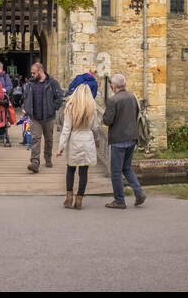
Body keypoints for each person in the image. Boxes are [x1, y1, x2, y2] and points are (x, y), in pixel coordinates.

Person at [101, 73, 146, 209]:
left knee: (116, 172)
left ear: (114, 86)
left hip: (119, 140)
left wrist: (105, 114)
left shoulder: (113, 100)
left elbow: (107, 120)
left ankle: (119, 200)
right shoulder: (133, 97)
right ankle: (138, 192)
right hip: (132, 138)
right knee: (126, 168)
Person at [56, 84, 98, 210]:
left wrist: (61, 147)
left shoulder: (70, 107)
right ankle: (79, 199)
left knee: (71, 169)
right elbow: (95, 127)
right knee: (83, 172)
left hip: (75, 139)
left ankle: (69, 197)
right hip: (87, 140)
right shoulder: (92, 107)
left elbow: (66, 129)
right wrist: (96, 139)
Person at [22, 62, 64, 173]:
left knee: (49, 139)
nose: (32, 75)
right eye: (31, 73)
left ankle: (48, 157)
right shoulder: (30, 83)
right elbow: (25, 97)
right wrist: (27, 107)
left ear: (40, 71)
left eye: (34, 73)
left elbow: (59, 97)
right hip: (35, 117)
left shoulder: (52, 83)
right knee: (36, 139)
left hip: (48, 117)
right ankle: (35, 162)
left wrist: (52, 108)